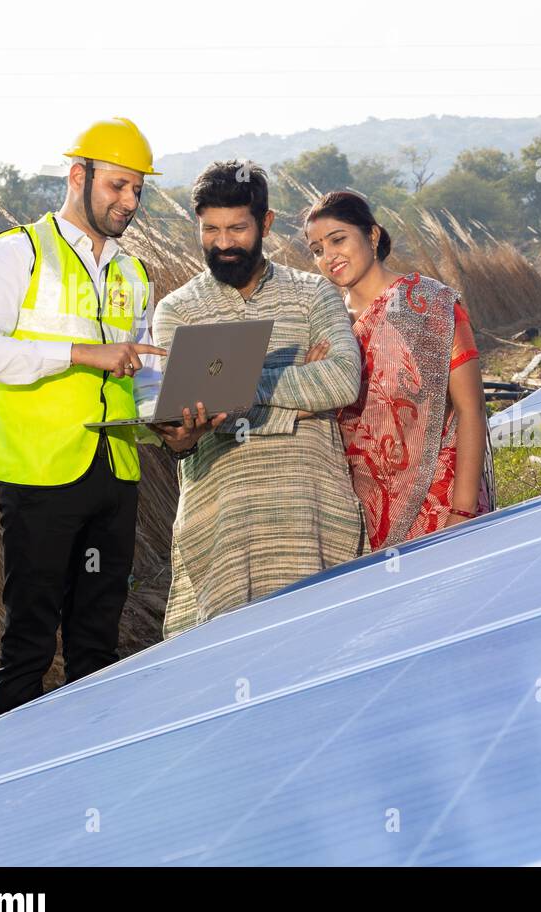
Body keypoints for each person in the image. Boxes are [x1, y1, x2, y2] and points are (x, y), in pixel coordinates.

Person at [0, 117, 207, 714]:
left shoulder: (133, 272)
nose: (130, 201)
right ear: (77, 176)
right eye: (118, 186)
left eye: (138, 190)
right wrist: (78, 353)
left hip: (115, 470)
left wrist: (173, 421)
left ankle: (91, 762)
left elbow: (137, 369)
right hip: (39, 471)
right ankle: (13, 772)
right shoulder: (15, 254)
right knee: (30, 639)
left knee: (98, 638)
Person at [153, 161, 365, 639]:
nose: (223, 243)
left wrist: (236, 387)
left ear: (265, 224)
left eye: (236, 228)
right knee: (223, 664)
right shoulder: (177, 311)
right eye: (210, 229)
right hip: (221, 522)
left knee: (320, 653)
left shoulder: (315, 293)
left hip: (310, 511)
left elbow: (343, 382)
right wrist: (297, 384)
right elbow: (188, 415)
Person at [302, 190, 494, 550]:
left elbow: (471, 409)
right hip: (360, 524)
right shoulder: (325, 330)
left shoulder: (428, 305)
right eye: (316, 251)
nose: (328, 256)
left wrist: (463, 512)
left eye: (338, 240)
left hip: (443, 507)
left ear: (372, 235)